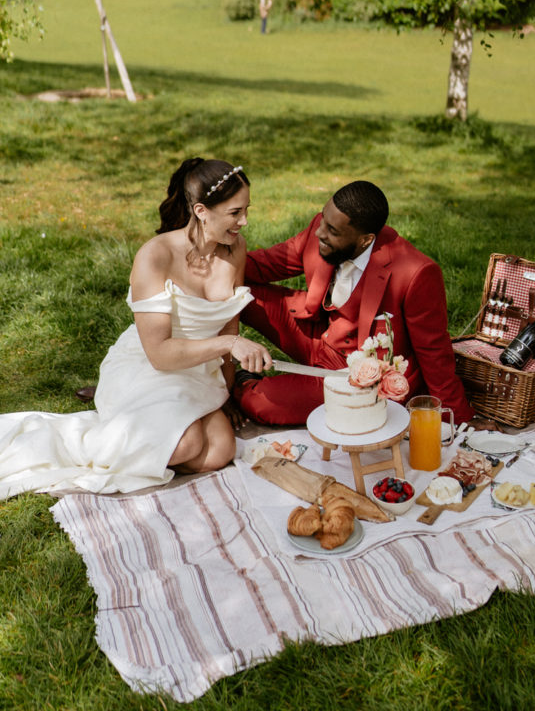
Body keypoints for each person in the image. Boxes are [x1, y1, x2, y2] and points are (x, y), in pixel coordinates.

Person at [0, 158, 272, 499]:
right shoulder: (155, 255)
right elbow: (160, 354)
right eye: (235, 213)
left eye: (246, 210)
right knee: (186, 444)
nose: (244, 221)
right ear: (201, 210)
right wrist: (230, 344)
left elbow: (228, 320)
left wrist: (227, 388)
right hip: (148, 366)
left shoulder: (235, 249)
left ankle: (160, 433)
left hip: (199, 371)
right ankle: (111, 431)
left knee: (220, 452)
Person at [233, 180, 476, 427]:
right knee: (236, 295)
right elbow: (263, 265)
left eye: (332, 231)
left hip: (353, 374)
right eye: (323, 221)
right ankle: (216, 375)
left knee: (261, 403)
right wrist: (205, 263)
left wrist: (461, 419)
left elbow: (434, 352)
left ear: (365, 240)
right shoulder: (322, 228)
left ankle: (241, 380)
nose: (319, 232)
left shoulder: (415, 273)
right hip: (315, 333)